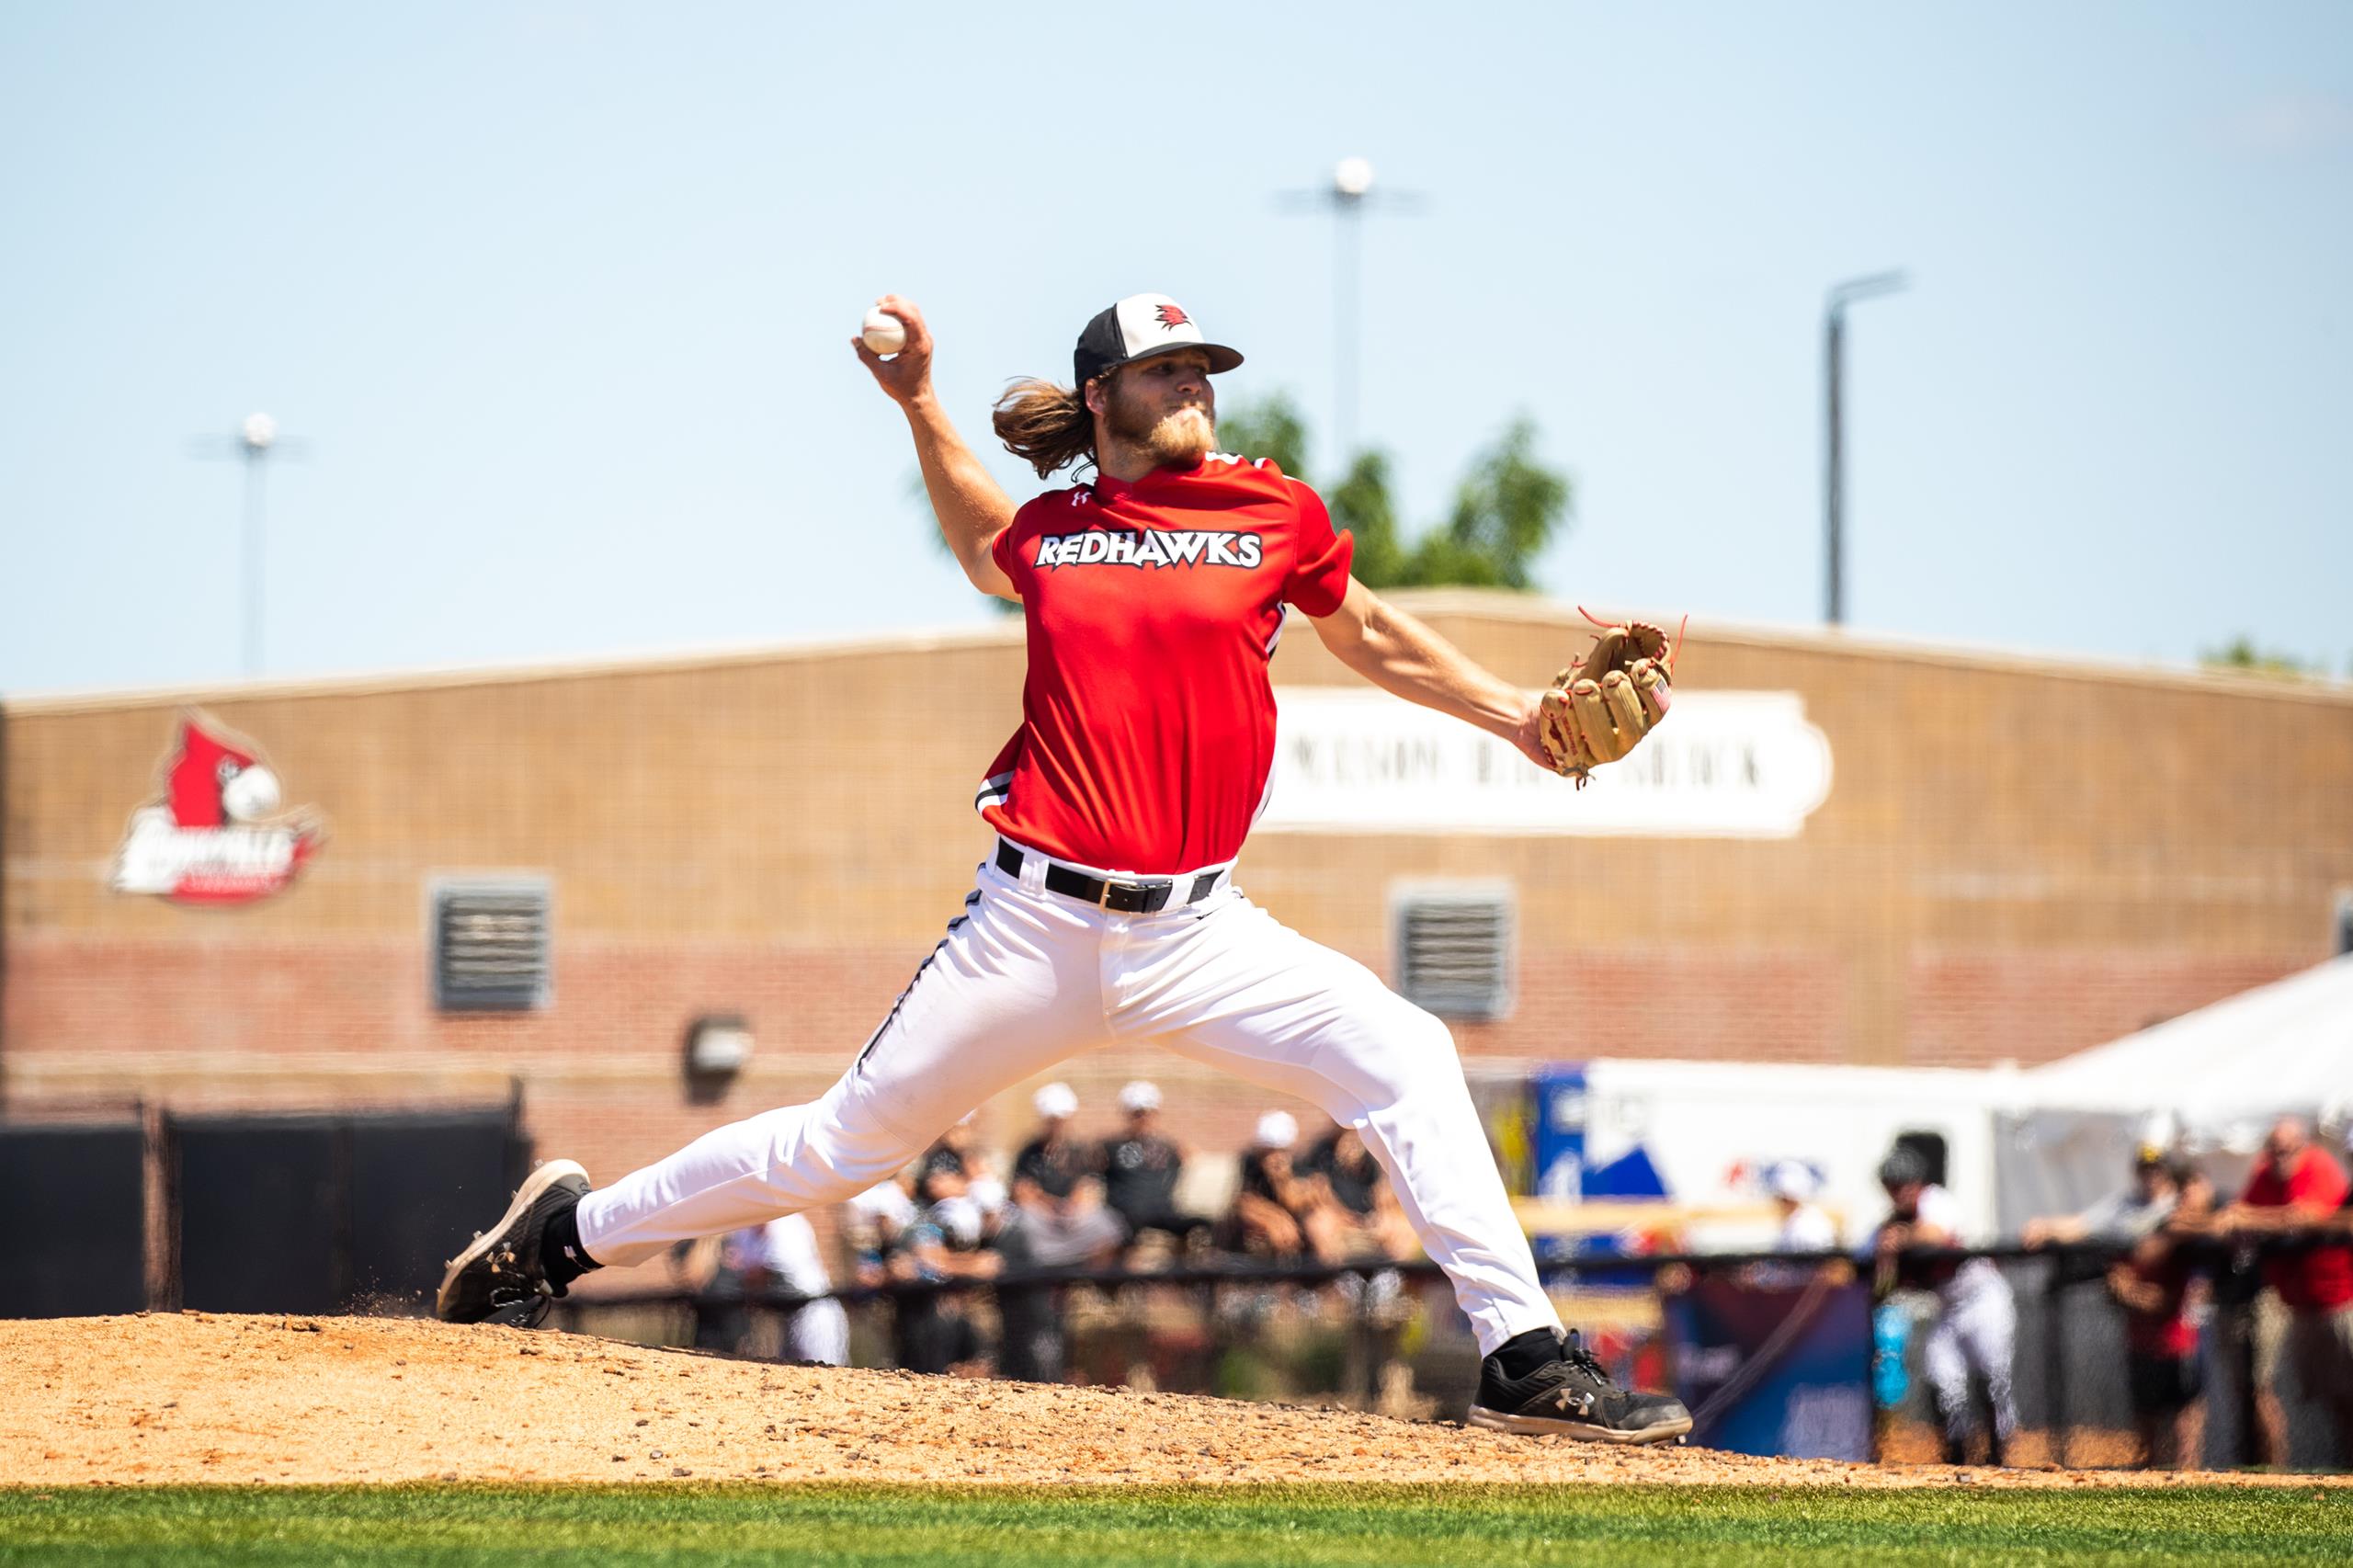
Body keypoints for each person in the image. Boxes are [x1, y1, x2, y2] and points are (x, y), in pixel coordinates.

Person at [437, 290, 1689, 1445]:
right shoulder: (1060, 531)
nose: (1194, 381)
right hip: (1030, 927)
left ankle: (1522, 1360)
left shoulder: (1269, 511)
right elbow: (982, 532)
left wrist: (1521, 718)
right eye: (1163, 368)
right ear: (1102, 397)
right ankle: (563, 1237)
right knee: (837, 1149)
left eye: (1201, 364)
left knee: (1408, 1049)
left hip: (1202, 934)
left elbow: (1364, 629)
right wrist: (921, 402)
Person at [2219, 1116, 2353, 1462]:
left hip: (2340, 1302)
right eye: (2273, 1150)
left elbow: (2303, 1216)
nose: (2279, 1158)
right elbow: (2239, 1212)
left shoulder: (2319, 1167)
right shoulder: (2265, 1174)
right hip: (2302, 1305)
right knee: (2334, 1400)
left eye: (2287, 1151)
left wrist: (2253, 1218)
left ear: (2304, 1146)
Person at [1873, 1147, 2018, 1466]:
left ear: (1918, 1182)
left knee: (1992, 1378)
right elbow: (1869, 1253)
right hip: (1948, 1306)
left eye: (1903, 1183)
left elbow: (1934, 1235)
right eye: (1891, 1184)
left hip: (1982, 1297)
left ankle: (1999, 1455)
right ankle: (1956, 1455)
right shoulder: (1892, 1221)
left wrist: (1901, 1238)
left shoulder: (1935, 1200)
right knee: (1941, 1377)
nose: (1898, 1191)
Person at [2106, 1161, 2211, 1469]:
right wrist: (2134, 1293)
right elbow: (2118, 1279)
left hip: (2181, 1343)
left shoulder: (2195, 1235)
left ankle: (2189, 1491)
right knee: (2147, 1433)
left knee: (2185, 1432)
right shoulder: (2139, 1222)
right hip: (2143, 1343)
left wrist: (2139, 1295)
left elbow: (2174, 1300)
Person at [1006, 1082, 1125, 1269]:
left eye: (1060, 1119)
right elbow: (1023, 1193)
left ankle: (1089, 1277)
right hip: (1041, 1215)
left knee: (1110, 1225)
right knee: (1022, 1225)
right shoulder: (1029, 1152)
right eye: (1052, 1120)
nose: (1056, 1125)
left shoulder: (1081, 1151)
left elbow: (1089, 1189)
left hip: (1074, 1215)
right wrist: (1050, 1206)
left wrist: (1073, 1207)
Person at [1097, 1081, 1213, 1259]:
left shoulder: (1169, 1147)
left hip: (1162, 1211)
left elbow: (1192, 1155)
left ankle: (1187, 1281)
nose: (1144, 1118)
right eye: (1138, 1114)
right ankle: (1115, 1280)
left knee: (1205, 1224)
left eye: (1148, 1113)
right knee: (1117, 1231)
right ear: (1127, 1114)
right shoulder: (1110, 1145)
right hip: (1125, 1213)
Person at [731, 1211, 851, 1367]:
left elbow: (764, 1274)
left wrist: (745, 1276)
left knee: (822, 1369)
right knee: (785, 1371)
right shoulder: (744, 1231)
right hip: (784, 1315)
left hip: (812, 1309)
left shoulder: (788, 1224)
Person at [1228, 1110, 1341, 1264]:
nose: (1273, 1157)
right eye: (1268, 1152)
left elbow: (1297, 1200)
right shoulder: (1250, 1164)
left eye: (1279, 1151)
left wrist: (1281, 1179)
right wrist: (1274, 1218)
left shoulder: (1300, 1165)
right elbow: (1243, 1201)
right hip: (1266, 1223)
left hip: (1302, 1221)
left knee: (1320, 1224)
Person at [2022, 1144, 2178, 1250]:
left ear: (2167, 1171)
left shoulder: (2179, 1204)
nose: (2151, 1176)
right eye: (2145, 1169)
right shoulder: (2124, 1204)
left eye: (2156, 1169)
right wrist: (2046, 1227)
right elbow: (2081, 1224)